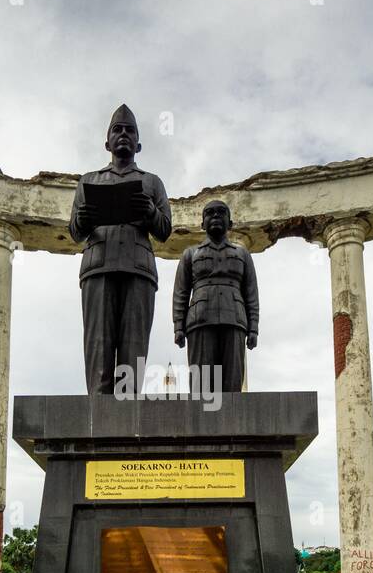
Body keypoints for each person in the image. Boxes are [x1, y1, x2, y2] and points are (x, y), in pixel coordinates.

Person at [69, 104, 173, 394]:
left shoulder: (152, 182)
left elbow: (165, 230)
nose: (123, 134)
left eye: (130, 130)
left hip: (138, 270)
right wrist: (84, 219)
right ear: (107, 143)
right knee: (98, 350)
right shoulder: (89, 180)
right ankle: (97, 414)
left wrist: (150, 211)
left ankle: (128, 416)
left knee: (132, 354)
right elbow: (75, 232)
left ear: (138, 143)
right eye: (117, 129)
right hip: (98, 268)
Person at [172, 200, 259, 393]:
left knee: (232, 385)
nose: (216, 216)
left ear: (230, 223)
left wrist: (254, 328)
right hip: (200, 321)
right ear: (202, 224)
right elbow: (181, 292)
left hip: (234, 320)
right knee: (201, 387)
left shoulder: (243, 254)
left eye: (221, 212)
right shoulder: (190, 254)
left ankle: (231, 414)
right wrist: (178, 327)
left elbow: (251, 293)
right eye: (210, 213)